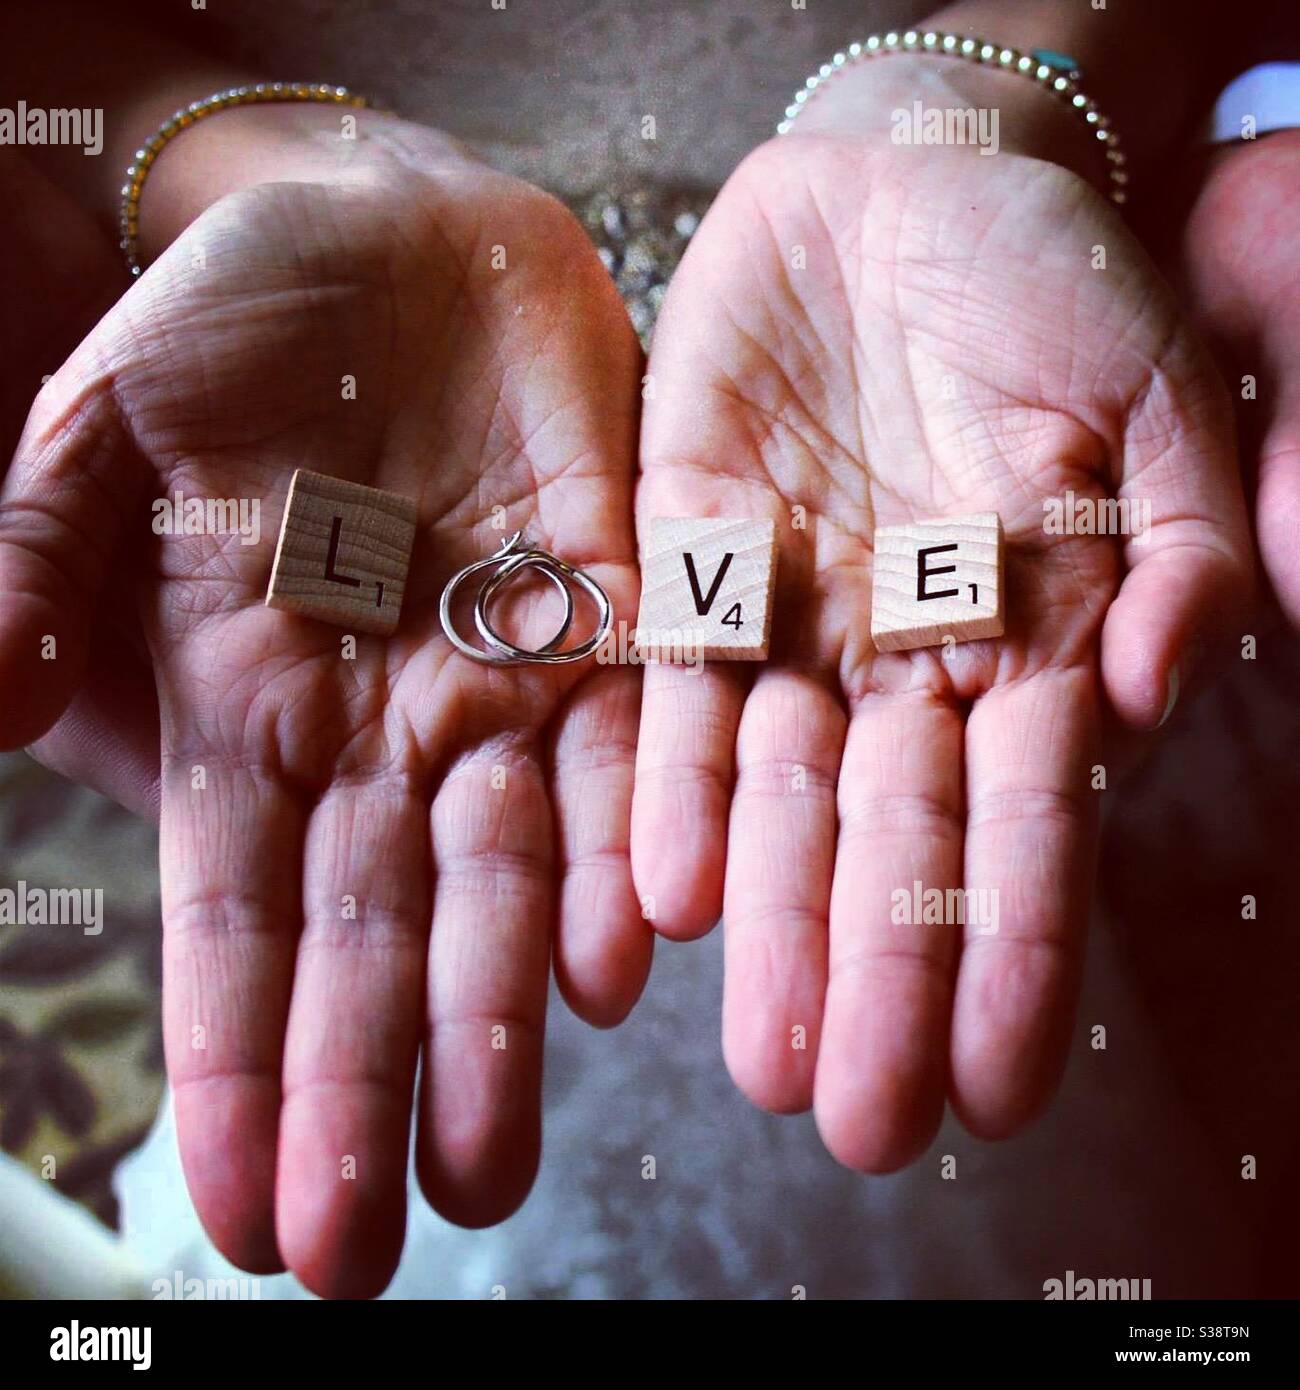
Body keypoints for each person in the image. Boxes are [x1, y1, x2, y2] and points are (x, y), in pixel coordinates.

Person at [0, 0, 1296, 1298]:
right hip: (371, 403)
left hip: (923, 401)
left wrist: (991, 103)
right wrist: (262, 164)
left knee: (934, 986)